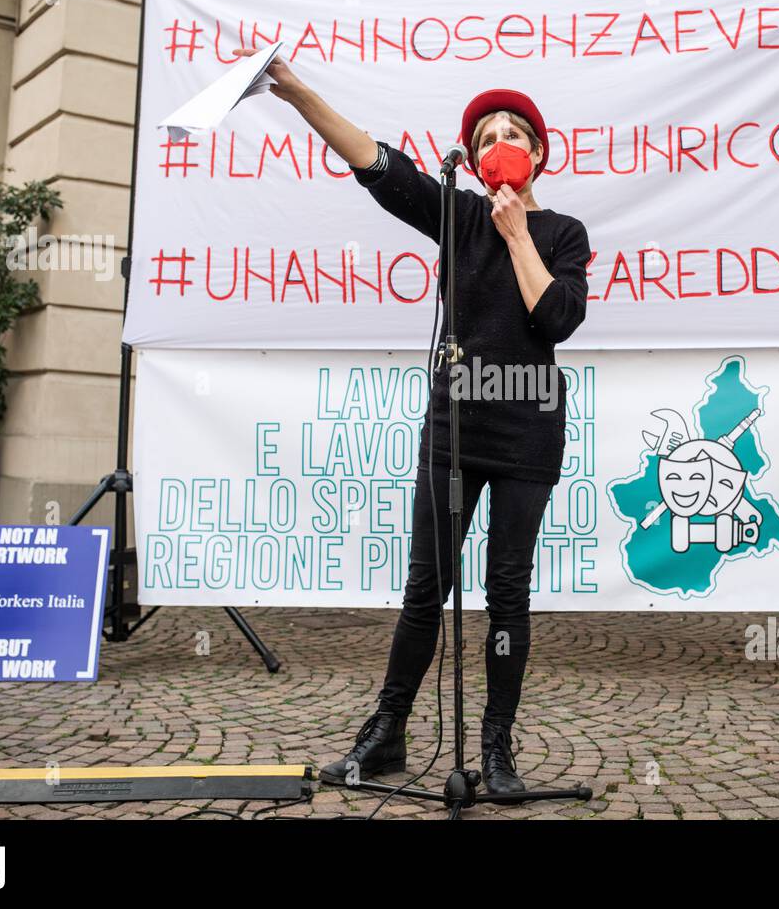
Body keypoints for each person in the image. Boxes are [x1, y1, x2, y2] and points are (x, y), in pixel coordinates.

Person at [236, 49, 591, 796]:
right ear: (471, 153)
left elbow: (555, 318)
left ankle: (496, 750)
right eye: (490, 133)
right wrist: (297, 94)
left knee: (508, 592)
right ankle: (387, 731)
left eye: (516, 135)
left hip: (527, 435)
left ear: (539, 155)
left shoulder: (561, 231)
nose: (503, 143)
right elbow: (376, 163)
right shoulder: (456, 213)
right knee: (424, 589)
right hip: (455, 431)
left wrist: (519, 234)